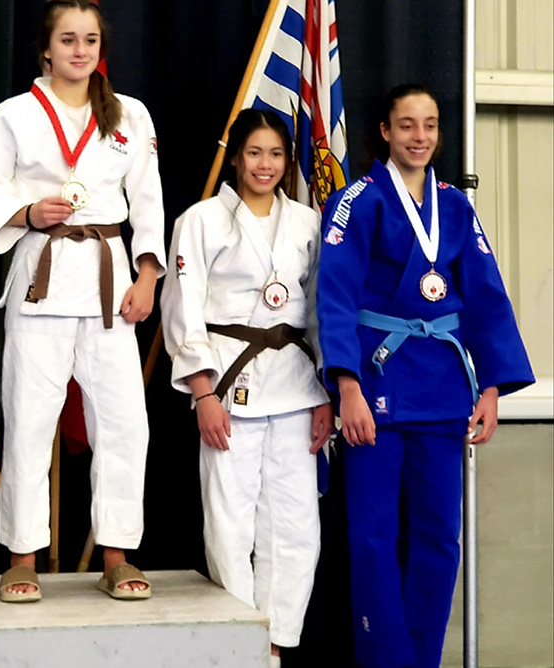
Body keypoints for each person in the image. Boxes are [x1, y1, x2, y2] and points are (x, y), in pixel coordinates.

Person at [316, 83, 534, 668]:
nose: (420, 137)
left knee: (440, 539)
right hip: (377, 385)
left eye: (430, 125)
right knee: (372, 538)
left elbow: (486, 297)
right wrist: (347, 385)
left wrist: (490, 387)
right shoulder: (355, 200)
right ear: (385, 132)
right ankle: (388, 661)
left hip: (443, 385)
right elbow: (333, 295)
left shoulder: (456, 206)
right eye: (407, 125)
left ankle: (421, 659)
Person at [0, 0, 165, 602]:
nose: (80, 49)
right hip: (41, 274)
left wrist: (147, 277)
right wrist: (24, 213)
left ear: (101, 47)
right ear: (46, 49)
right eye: (67, 39)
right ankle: (22, 555)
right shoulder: (15, 115)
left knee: (125, 422)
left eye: (90, 39)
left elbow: (148, 202)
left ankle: (117, 553)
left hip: (109, 279)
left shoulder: (129, 115)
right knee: (28, 418)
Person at [161, 108, 334, 664]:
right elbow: (181, 309)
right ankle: (238, 644)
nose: (266, 165)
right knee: (230, 522)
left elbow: (323, 313)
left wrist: (328, 391)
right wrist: (202, 392)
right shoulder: (201, 220)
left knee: (296, 525)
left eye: (277, 154)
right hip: (228, 384)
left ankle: (277, 645)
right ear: (234, 156)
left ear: (288, 161)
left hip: (297, 385)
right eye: (255, 153)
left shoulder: (308, 223)